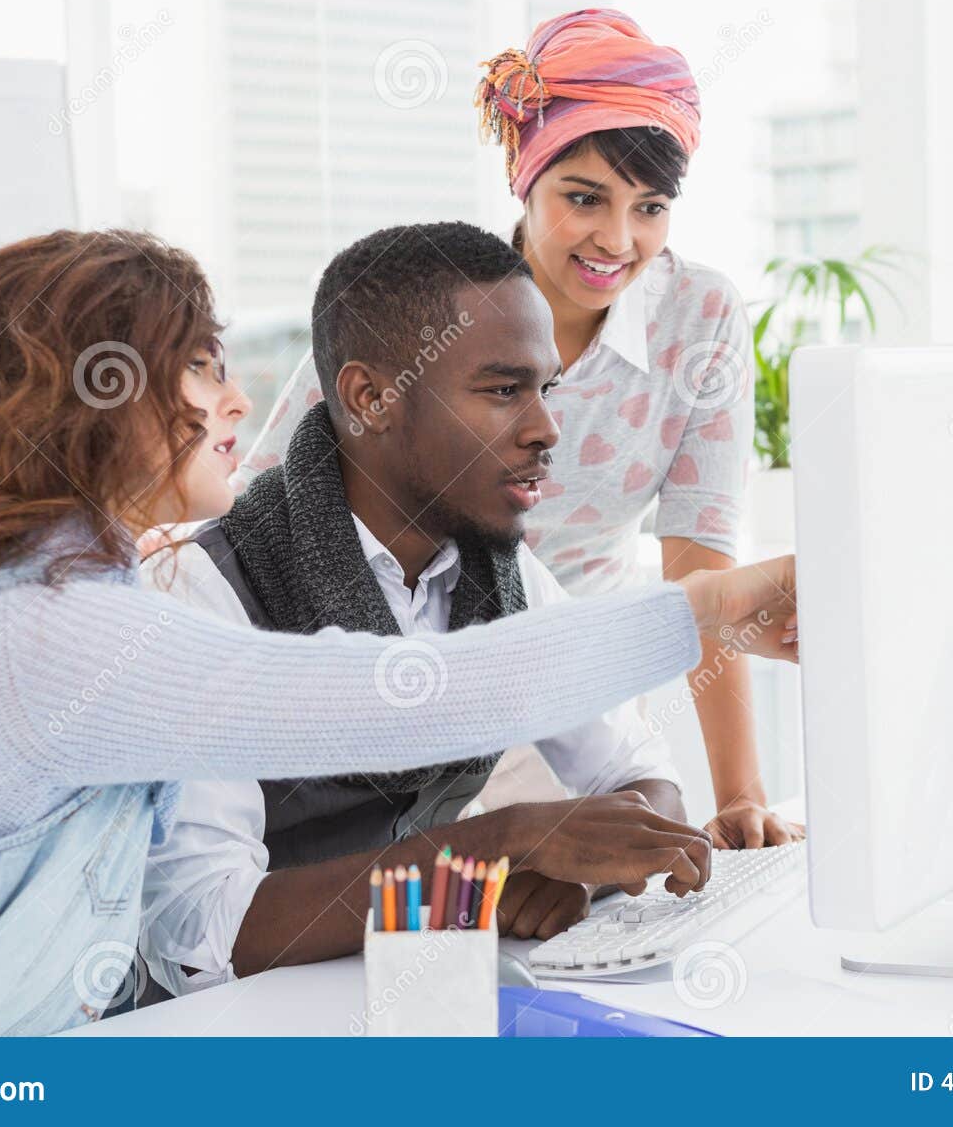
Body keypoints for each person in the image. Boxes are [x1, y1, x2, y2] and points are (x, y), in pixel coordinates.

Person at [0, 228, 797, 1036]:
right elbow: (397, 695)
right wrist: (714, 608)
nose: (239, 396)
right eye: (201, 367)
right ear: (88, 395)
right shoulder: (38, 634)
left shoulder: (35, 593)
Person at [245, 9, 796, 849]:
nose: (618, 239)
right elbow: (277, 493)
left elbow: (702, 567)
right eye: (584, 198)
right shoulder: (431, 304)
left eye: (649, 207)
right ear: (524, 178)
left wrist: (741, 794)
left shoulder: (700, 316)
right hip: (408, 690)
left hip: (582, 701)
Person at [140, 222, 703, 994]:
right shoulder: (204, 589)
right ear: (371, 399)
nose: (545, 429)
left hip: (412, 1005)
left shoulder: (502, 568)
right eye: (504, 390)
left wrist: (579, 874)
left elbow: (639, 773)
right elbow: (207, 930)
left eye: (546, 389)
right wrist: (496, 852)